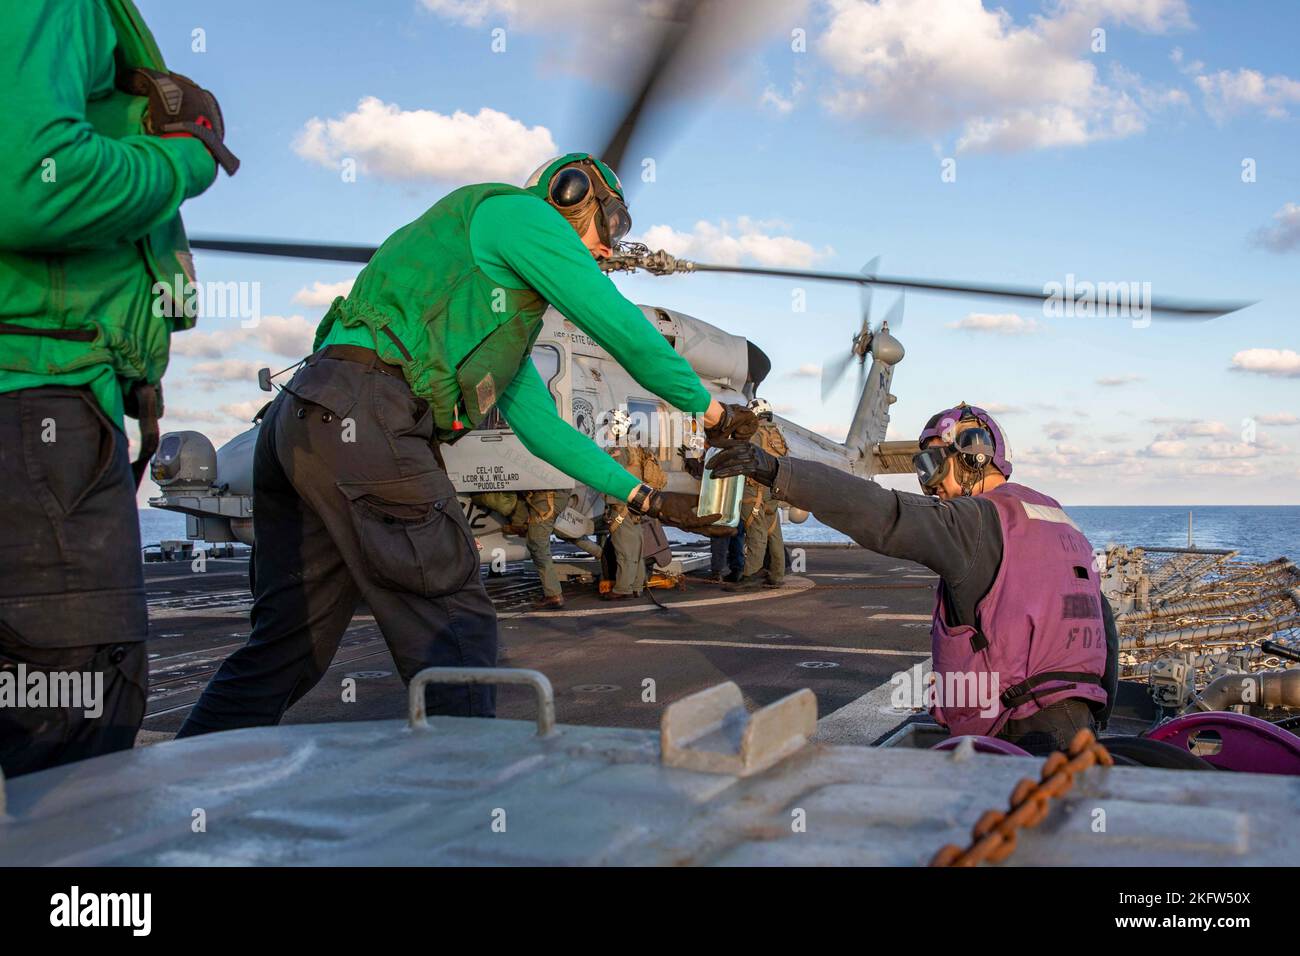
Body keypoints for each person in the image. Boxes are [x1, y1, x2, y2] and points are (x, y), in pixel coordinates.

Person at [177, 153, 756, 736]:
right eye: (612, 226)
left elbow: (542, 429)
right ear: (575, 196)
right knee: (454, 624)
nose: (610, 250)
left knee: (287, 647)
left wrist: (642, 498)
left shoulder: (498, 322)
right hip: (369, 411)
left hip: (302, 422)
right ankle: (470, 796)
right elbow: (622, 329)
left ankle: (175, 787)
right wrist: (711, 411)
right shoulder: (521, 215)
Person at [0, 0, 233, 776]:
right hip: (38, 401)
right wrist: (186, 162)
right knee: (71, 721)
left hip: (53, 403)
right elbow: (33, 183)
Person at [709, 403, 1118, 754]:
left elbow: (885, 515)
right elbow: (1104, 627)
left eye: (933, 464)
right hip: (1080, 726)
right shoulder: (1058, 520)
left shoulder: (978, 521)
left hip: (1014, 735)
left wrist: (781, 473)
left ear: (974, 455)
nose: (929, 482)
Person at [725, 400, 789, 591]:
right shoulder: (777, 434)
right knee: (773, 532)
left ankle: (750, 574)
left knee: (756, 532)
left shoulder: (754, 434)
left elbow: (744, 459)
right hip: (773, 490)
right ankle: (777, 575)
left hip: (754, 490)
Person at [604, 414, 668, 601]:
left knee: (623, 549)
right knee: (636, 548)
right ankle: (637, 585)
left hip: (622, 505)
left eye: (608, 426)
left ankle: (623, 587)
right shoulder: (637, 449)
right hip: (636, 506)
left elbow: (611, 477)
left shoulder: (618, 451)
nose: (605, 431)